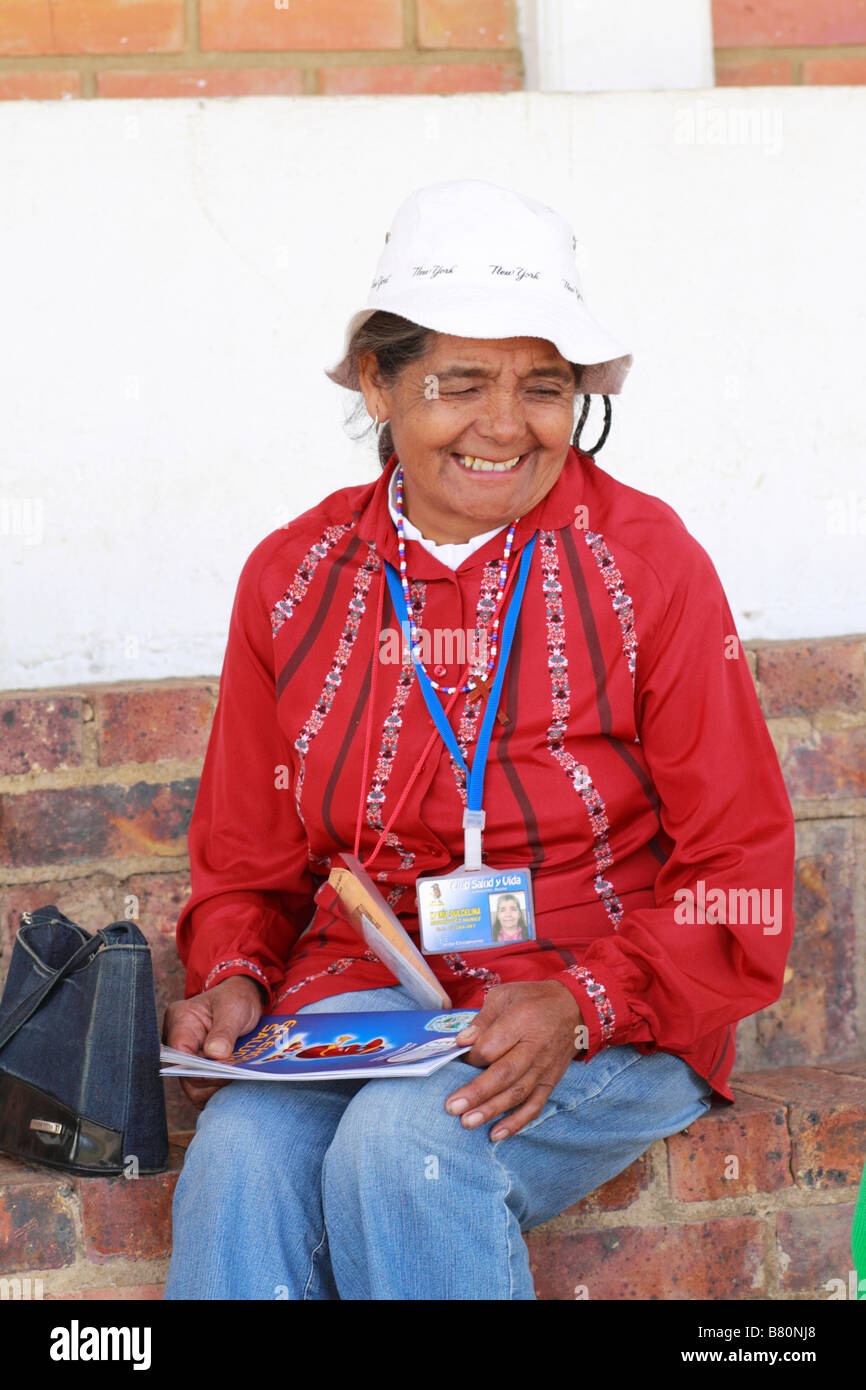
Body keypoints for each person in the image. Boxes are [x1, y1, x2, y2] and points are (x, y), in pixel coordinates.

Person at [162, 179, 795, 1301]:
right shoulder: (292, 580)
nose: (504, 426)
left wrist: (586, 998)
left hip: (605, 1003)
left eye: (541, 388)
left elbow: (736, 876)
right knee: (240, 1155)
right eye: (460, 383)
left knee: (406, 1142)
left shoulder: (647, 567)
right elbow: (249, 864)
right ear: (378, 384)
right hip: (370, 1003)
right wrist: (234, 979)